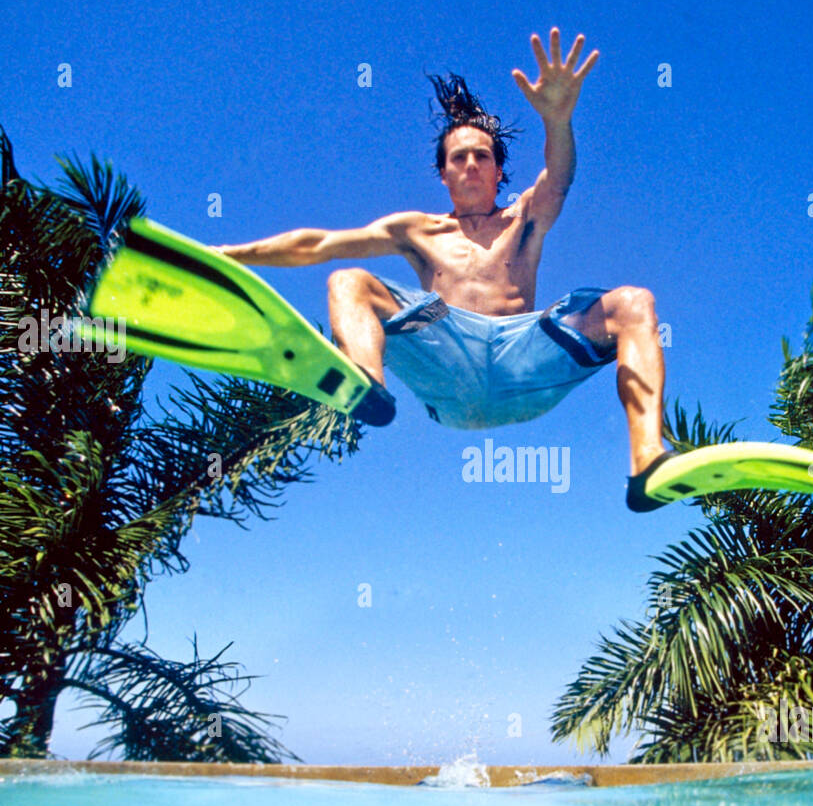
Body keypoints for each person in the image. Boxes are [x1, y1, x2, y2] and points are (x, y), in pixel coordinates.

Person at [217, 29, 674, 510]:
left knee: (634, 302)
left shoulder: (524, 218)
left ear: (500, 171)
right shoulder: (418, 231)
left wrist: (558, 120)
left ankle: (647, 460)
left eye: (484, 156)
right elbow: (317, 244)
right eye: (460, 157)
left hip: (526, 360)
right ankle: (366, 385)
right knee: (347, 281)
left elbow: (559, 178)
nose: (472, 164)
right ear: (443, 173)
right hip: (445, 363)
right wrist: (232, 254)